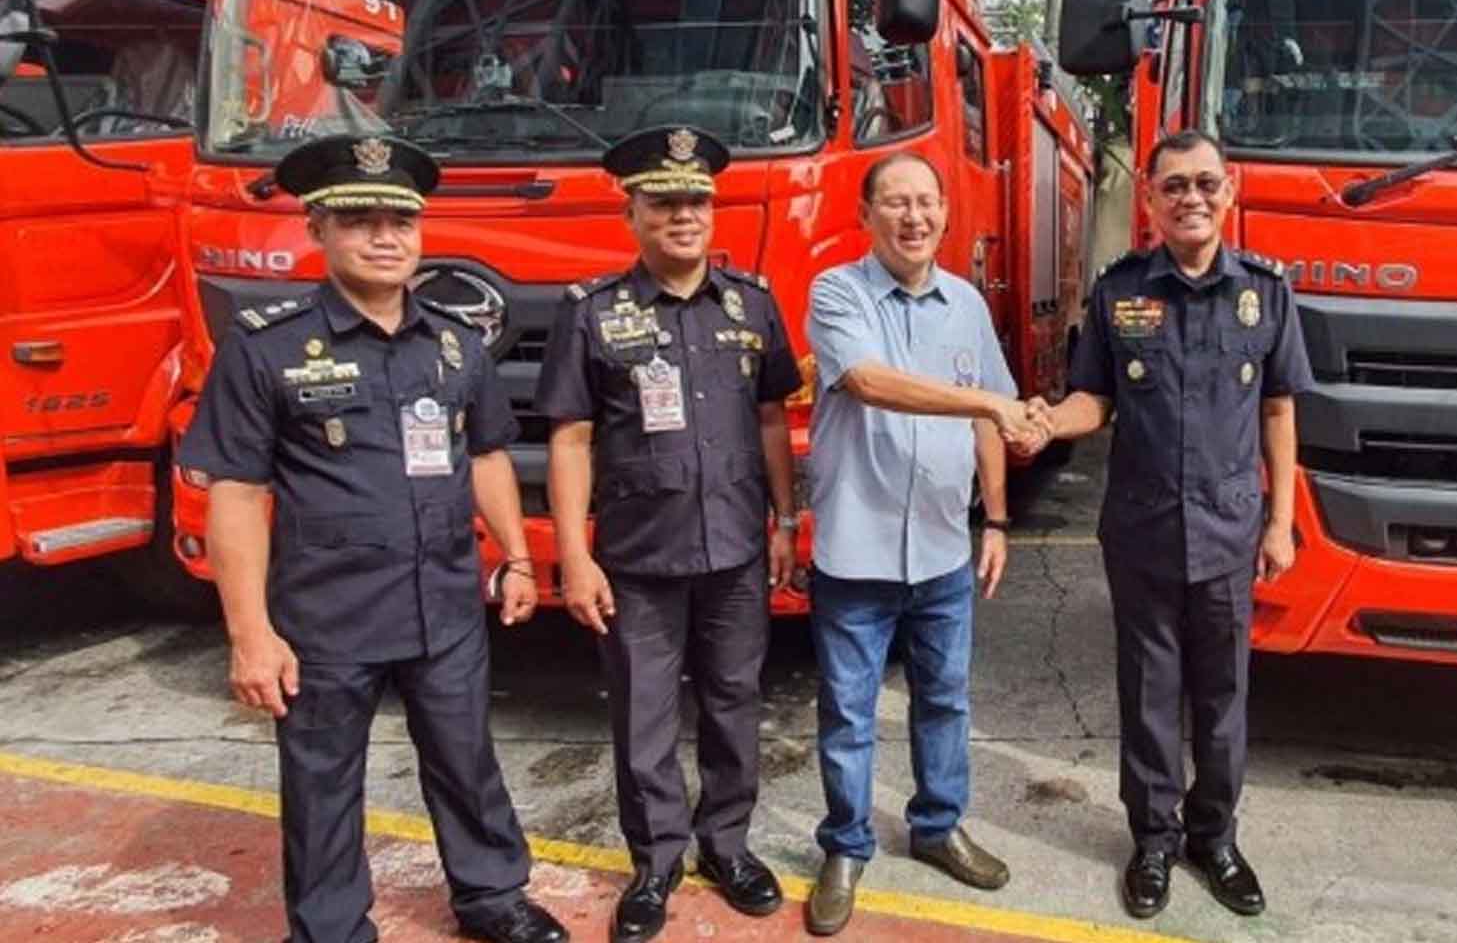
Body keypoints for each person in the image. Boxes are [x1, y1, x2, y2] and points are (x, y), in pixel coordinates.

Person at [179, 134, 566, 943]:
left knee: (467, 764)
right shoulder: (266, 345)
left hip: (446, 605)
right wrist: (250, 635)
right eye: (359, 220)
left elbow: (488, 453)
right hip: (327, 619)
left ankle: (492, 897)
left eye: (400, 218)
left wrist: (518, 558)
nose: (385, 237)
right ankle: (328, 928)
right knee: (321, 786)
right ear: (318, 230)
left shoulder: (455, 342)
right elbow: (238, 495)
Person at [1024, 129, 1312, 920]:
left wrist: (1281, 522)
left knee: (1223, 697)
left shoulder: (1265, 291)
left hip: (1227, 529)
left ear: (1231, 192)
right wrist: (1048, 424)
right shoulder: (1119, 293)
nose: (1192, 198)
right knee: (1149, 692)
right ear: (1149, 199)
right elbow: (1094, 401)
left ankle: (1214, 839)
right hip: (1143, 529)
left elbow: (1280, 409)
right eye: (1175, 185)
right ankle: (1153, 840)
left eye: (1206, 183)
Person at [532, 126, 801, 943]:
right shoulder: (593, 313)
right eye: (665, 202)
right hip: (638, 556)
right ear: (634, 214)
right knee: (644, 714)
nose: (684, 215)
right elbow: (570, 439)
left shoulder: (751, 304)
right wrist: (574, 555)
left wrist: (785, 521)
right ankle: (655, 862)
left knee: (733, 703)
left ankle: (728, 847)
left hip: (735, 550)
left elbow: (770, 420)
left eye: (697, 201)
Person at [798, 150, 1044, 937]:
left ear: (945, 212)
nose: (914, 217)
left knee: (944, 701)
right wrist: (989, 402)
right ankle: (845, 846)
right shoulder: (838, 292)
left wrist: (997, 519)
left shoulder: (966, 303)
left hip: (941, 549)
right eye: (896, 203)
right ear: (867, 216)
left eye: (927, 203)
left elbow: (988, 423)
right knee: (848, 712)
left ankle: (938, 827)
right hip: (856, 550)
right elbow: (867, 381)